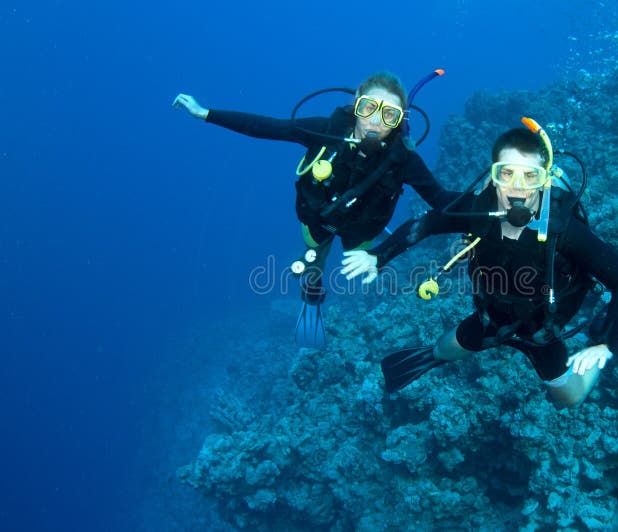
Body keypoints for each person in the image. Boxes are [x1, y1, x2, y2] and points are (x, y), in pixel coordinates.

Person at [341, 119, 618, 407]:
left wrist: (603, 341)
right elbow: (428, 222)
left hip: (542, 333)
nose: (518, 187)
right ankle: (430, 356)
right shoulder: (477, 211)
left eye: (530, 176)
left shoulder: (565, 231)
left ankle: (599, 359)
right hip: (492, 319)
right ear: (492, 176)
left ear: (545, 179)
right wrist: (378, 255)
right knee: (444, 349)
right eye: (506, 173)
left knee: (570, 398)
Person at [172, 71, 456, 349]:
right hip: (317, 220)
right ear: (356, 104)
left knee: (364, 260)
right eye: (368, 107)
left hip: (362, 232)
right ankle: (312, 295)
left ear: (398, 121)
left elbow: (442, 200)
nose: (374, 120)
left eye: (389, 114)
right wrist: (206, 113)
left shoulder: (403, 160)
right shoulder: (326, 132)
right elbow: (269, 127)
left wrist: (489, 201)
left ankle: (380, 240)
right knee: (313, 262)